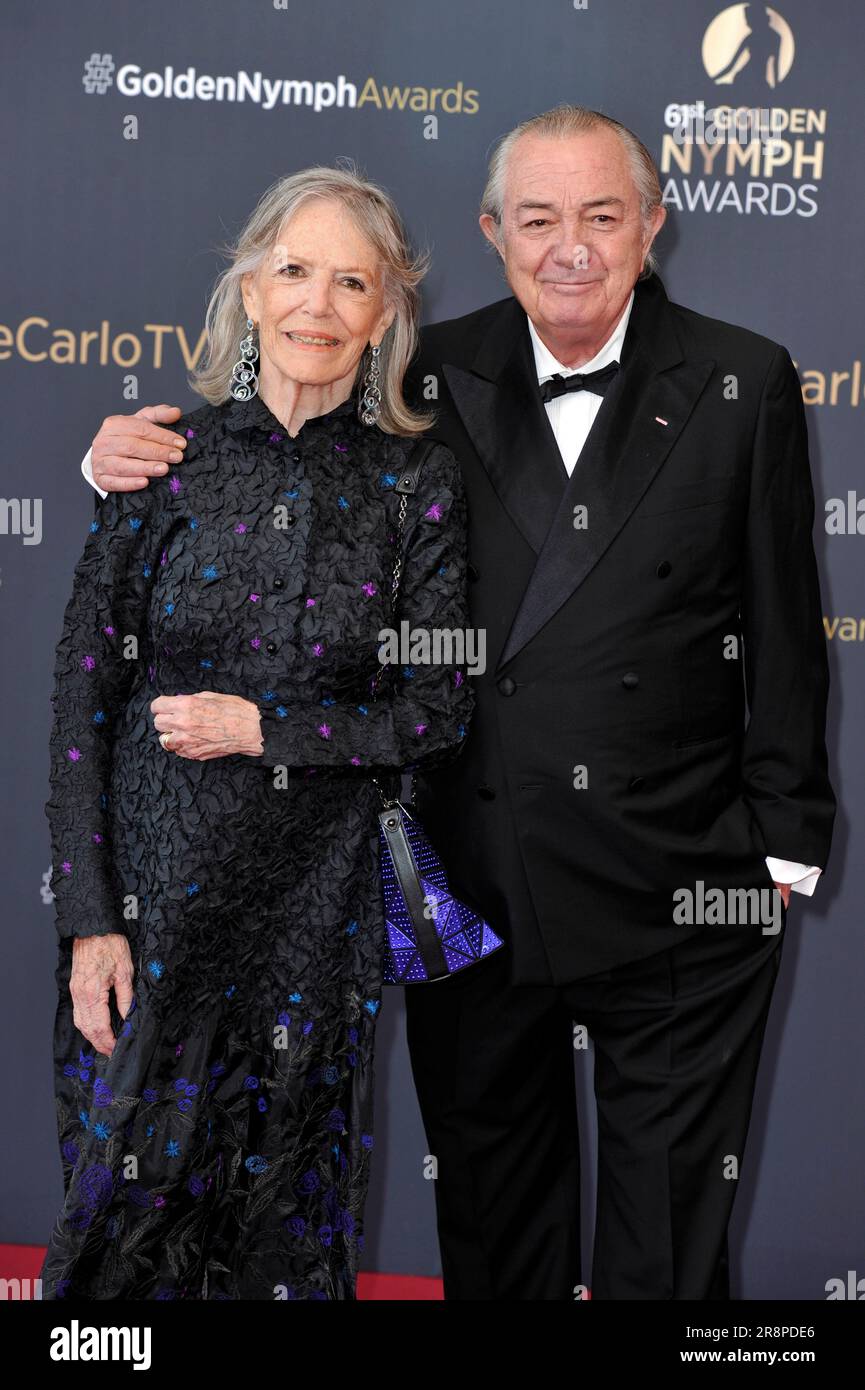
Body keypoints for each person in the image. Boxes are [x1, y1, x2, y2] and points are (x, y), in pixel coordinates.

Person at [80, 105, 835, 1300]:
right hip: (472, 882)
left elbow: (784, 618)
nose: (570, 246)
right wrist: (116, 463)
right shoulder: (430, 373)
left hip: (683, 876)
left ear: (652, 226)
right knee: (495, 1231)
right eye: (538, 218)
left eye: (601, 215)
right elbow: (293, 475)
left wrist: (783, 843)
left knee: (672, 1250)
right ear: (493, 232)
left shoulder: (743, 378)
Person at [43, 165, 473, 1301]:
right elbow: (79, 703)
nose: (317, 307)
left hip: (305, 929)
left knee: (275, 1238)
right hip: (149, 919)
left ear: (387, 313)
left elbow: (436, 709)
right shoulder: (161, 457)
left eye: (350, 283)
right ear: (249, 286)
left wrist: (264, 728)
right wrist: (89, 920)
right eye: (293, 271)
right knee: (116, 1243)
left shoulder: (413, 484)